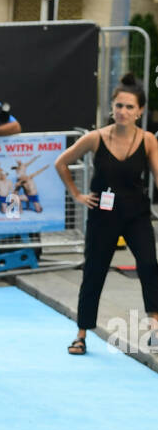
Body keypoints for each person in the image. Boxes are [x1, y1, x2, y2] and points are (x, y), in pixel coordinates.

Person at [54, 73, 158, 355]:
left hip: (136, 214)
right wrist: (77, 194)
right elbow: (61, 163)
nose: (123, 111)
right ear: (112, 107)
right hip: (103, 216)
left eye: (129, 107)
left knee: (149, 265)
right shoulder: (96, 138)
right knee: (94, 272)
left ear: (140, 111)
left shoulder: (147, 140)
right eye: (119, 106)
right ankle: (82, 333)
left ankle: (155, 328)